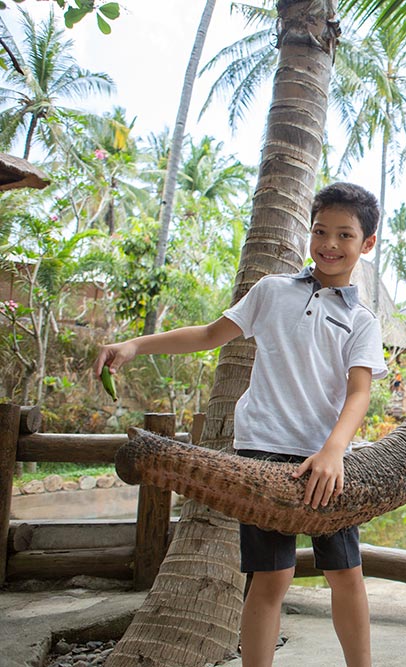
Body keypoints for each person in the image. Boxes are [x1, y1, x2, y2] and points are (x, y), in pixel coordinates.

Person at [94, 182, 388, 667]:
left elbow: (359, 392)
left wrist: (335, 449)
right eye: (320, 231)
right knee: (270, 578)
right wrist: (134, 345)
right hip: (262, 453)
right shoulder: (271, 291)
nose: (329, 245)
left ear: (367, 244)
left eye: (344, 235)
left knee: (346, 574)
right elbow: (210, 334)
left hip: (327, 462)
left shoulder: (362, 320)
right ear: (308, 232)